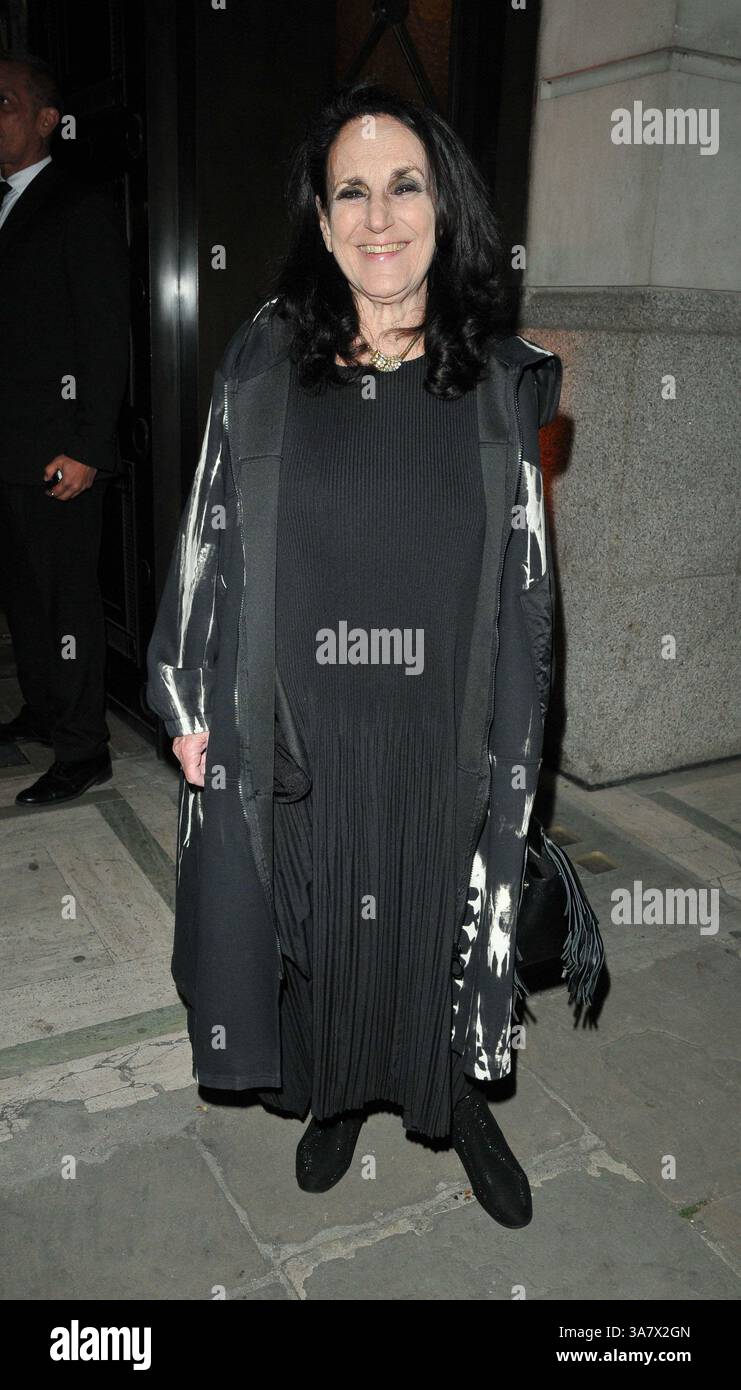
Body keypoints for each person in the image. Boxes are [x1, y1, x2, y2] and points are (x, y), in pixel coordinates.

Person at [146, 81, 562, 1228]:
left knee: (439, 926)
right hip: (307, 734)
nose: (380, 217)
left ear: (445, 206)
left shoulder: (497, 379)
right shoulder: (269, 358)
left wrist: (520, 747)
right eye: (352, 192)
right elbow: (208, 533)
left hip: (446, 733)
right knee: (322, 929)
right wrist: (185, 686)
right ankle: (337, 1095)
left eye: (405, 185)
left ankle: (455, 1102)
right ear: (324, 222)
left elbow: (530, 588)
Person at [0, 50, 130, 804]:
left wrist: (87, 446)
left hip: (58, 451)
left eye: (7, 104)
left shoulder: (77, 205)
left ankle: (84, 750)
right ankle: (46, 712)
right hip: (10, 449)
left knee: (64, 600)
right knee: (22, 596)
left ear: (48, 119)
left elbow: (106, 336)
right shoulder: (5, 205)